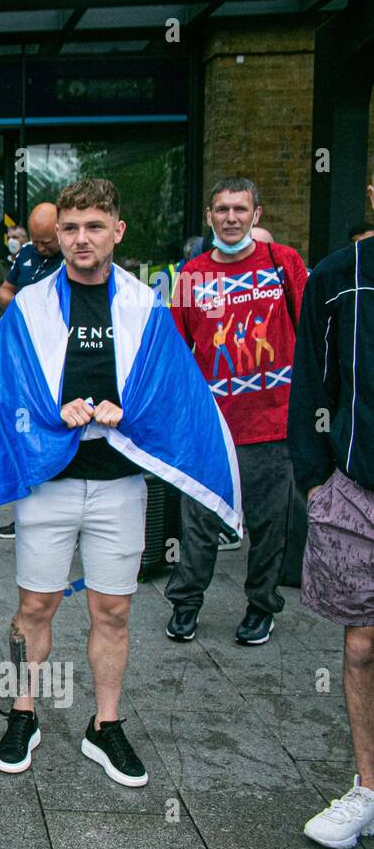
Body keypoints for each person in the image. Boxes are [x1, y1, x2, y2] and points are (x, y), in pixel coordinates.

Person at [0, 178, 241, 786]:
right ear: (59, 235)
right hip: (50, 482)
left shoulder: (144, 304)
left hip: (120, 484)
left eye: (94, 227)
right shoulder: (30, 304)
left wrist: (124, 411)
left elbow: (174, 393)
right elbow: (3, 393)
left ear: (117, 232)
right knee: (35, 607)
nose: (81, 239)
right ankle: (23, 711)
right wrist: (55, 413)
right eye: (71, 229)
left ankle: (105, 726)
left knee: (113, 610)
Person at [164, 177, 308, 646]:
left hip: (271, 423)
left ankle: (261, 608)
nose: (231, 218)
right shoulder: (191, 275)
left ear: (256, 214)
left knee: (269, 526)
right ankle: (186, 604)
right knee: (199, 525)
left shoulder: (283, 263)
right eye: (222, 210)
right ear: (209, 217)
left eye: (240, 209)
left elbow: (311, 335)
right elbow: (173, 350)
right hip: (210, 429)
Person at [289, 193, 374, 849]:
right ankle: (367, 790)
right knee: (362, 646)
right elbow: (310, 388)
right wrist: (316, 481)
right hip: (357, 488)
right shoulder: (335, 276)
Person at [0, 204, 63, 539]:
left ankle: (60, 519)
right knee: (24, 435)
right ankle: (26, 515)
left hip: (58, 364)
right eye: (36, 241)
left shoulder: (71, 261)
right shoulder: (28, 255)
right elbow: (4, 291)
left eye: (46, 242)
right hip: (25, 359)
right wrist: (21, 303)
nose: (41, 247)